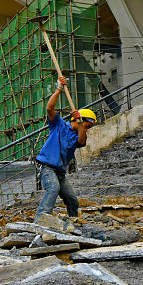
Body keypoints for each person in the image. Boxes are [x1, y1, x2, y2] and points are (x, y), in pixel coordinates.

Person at [35, 76, 96, 219]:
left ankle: (73, 222)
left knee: (72, 200)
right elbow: (50, 108)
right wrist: (59, 89)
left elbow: (82, 141)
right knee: (53, 188)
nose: (86, 129)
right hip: (46, 167)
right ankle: (40, 219)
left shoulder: (78, 136)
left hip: (60, 173)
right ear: (78, 120)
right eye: (87, 126)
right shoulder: (59, 125)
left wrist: (81, 124)